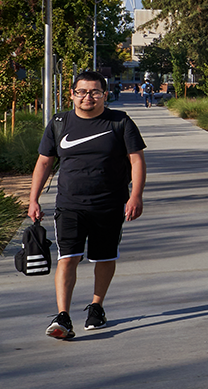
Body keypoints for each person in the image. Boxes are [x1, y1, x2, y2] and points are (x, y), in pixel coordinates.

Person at [28, 70, 146, 339]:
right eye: (81, 91)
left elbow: (136, 160)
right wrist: (33, 198)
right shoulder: (59, 123)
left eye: (94, 91)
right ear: (72, 94)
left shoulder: (120, 122)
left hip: (109, 202)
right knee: (67, 257)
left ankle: (96, 307)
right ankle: (63, 316)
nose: (87, 97)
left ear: (105, 95)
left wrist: (135, 196)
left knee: (105, 257)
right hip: (69, 204)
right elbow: (44, 162)